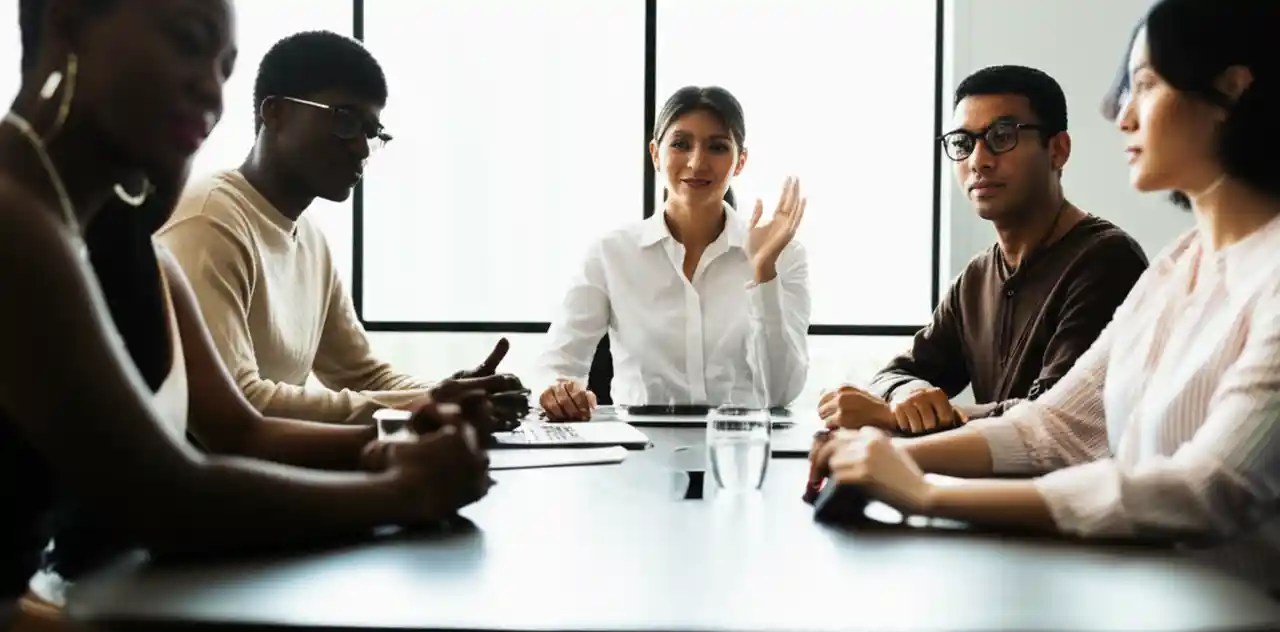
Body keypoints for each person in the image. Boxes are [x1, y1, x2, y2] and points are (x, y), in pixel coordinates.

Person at [0, 1, 519, 632]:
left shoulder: (136, 250)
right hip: (31, 624)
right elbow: (163, 495)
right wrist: (402, 489)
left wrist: (395, 442)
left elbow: (240, 428)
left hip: (93, 595)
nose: (211, 92)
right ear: (66, 23)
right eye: (188, 45)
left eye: (224, 68)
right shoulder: (16, 220)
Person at [814, 1, 1280, 632]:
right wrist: (889, 451)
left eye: (1145, 86)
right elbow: (1051, 427)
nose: (1121, 116)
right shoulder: (1178, 266)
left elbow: (1203, 489)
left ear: (1234, 92)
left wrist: (927, 491)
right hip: (1138, 607)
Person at [155, 30, 520, 425]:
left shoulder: (309, 238)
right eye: (345, 121)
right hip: (214, 481)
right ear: (275, 112)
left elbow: (363, 373)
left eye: (371, 131)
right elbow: (242, 403)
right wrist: (427, 403)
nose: (362, 148)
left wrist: (451, 391)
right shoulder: (209, 220)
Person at [819, 66, 1148, 436]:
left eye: (1001, 136)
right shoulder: (975, 278)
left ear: (1058, 150)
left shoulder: (1107, 261)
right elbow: (898, 373)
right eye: (962, 143)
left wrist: (898, 417)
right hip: (990, 487)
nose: (978, 160)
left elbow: (1058, 417)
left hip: (1071, 491)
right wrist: (910, 394)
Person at [537, 85, 810, 420]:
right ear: (655, 154)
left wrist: (763, 271)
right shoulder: (611, 253)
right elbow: (557, 366)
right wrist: (559, 390)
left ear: (740, 162)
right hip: (640, 453)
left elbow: (783, 392)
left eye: (717, 147)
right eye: (681, 144)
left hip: (741, 451)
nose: (697, 162)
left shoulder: (785, 256)